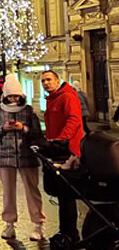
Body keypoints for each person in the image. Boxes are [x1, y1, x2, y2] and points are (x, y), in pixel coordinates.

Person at [0, 75, 46, 241]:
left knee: (32, 191)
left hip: (27, 156)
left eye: (17, 96)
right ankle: (9, 224)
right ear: (5, 96)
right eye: (11, 96)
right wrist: (3, 129)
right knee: (8, 192)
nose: (14, 99)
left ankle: (38, 225)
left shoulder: (28, 110)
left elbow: (37, 133)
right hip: (5, 157)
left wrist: (24, 128)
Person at [41, 70, 83, 243]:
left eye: (49, 80)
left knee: (67, 196)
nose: (46, 83)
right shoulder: (53, 98)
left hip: (67, 151)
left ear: (57, 80)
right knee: (61, 195)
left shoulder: (67, 97)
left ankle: (70, 233)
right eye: (43, 81)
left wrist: (60, 140)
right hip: (57, 149)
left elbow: (74, 120)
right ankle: (65, 231)